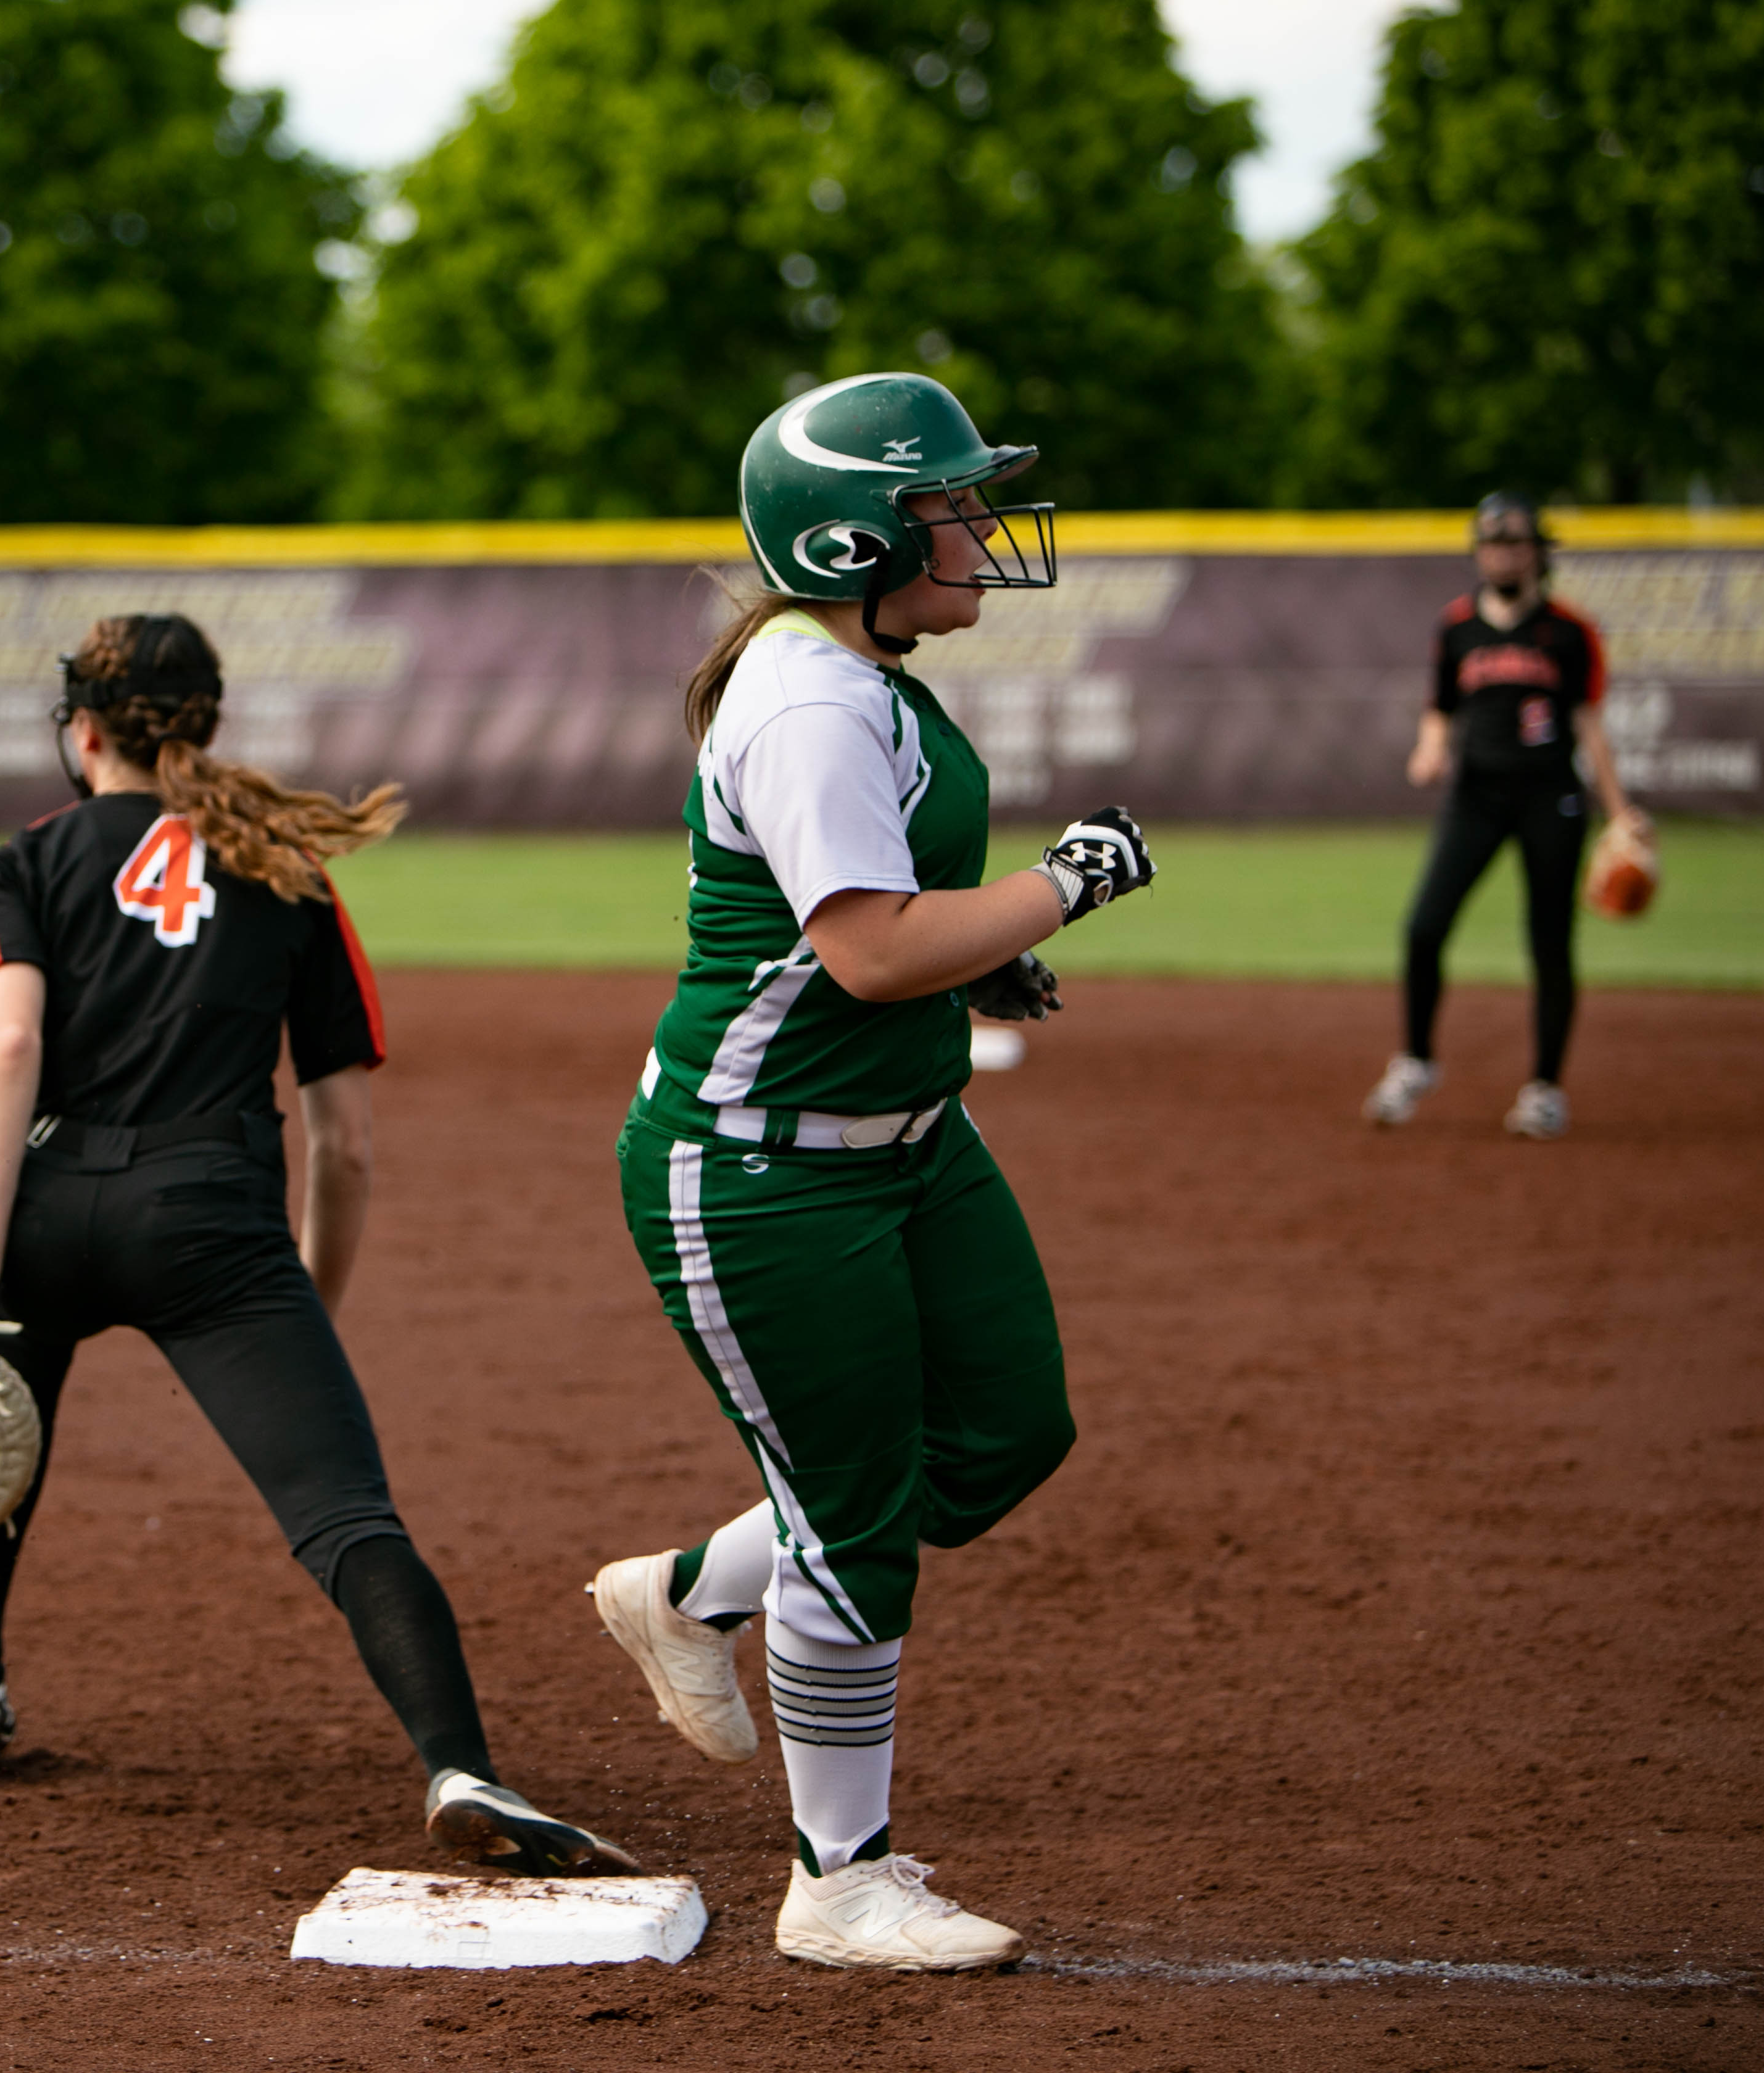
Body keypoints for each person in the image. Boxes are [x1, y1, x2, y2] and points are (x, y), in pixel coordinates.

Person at [583, 372, 1157, 1971]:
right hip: (762, 1169)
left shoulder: (860, 672)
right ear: (854, 540)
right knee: (856, 1522)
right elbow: (868, 951)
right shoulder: (812, 698)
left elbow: (882, 923)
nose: (978, 529)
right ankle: (839, 1879)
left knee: (1005, 1430)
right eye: (947, 506)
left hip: (905, 1141)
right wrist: (1065, 884)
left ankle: (694, 1590)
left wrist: (984, 954)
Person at [0, 613, 633, 1876]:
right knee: (346, 1513)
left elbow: (12, 1045)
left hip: (43, 1208)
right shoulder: (285, 863)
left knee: (1, 1440)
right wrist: (307, 1304)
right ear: (205, 728)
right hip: (209, 1222)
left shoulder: (20, 861)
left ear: (83, 734)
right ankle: (459, 1764)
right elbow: (343, 1142)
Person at [1364, 492, 1644, 1140]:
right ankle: (1416, 1061)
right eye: (1492, 543)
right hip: (1476, 797)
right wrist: (1430, 748)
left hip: (1551, 797)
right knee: (1423, 928)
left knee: (1549, 943)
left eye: (1515, 543)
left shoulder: (1570, 631)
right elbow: (1441, 707)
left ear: (1539, 553)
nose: (1502, 554)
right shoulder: (1457, 627)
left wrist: (1620, 813)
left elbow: (1589, 724)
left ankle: (1545, 1089)